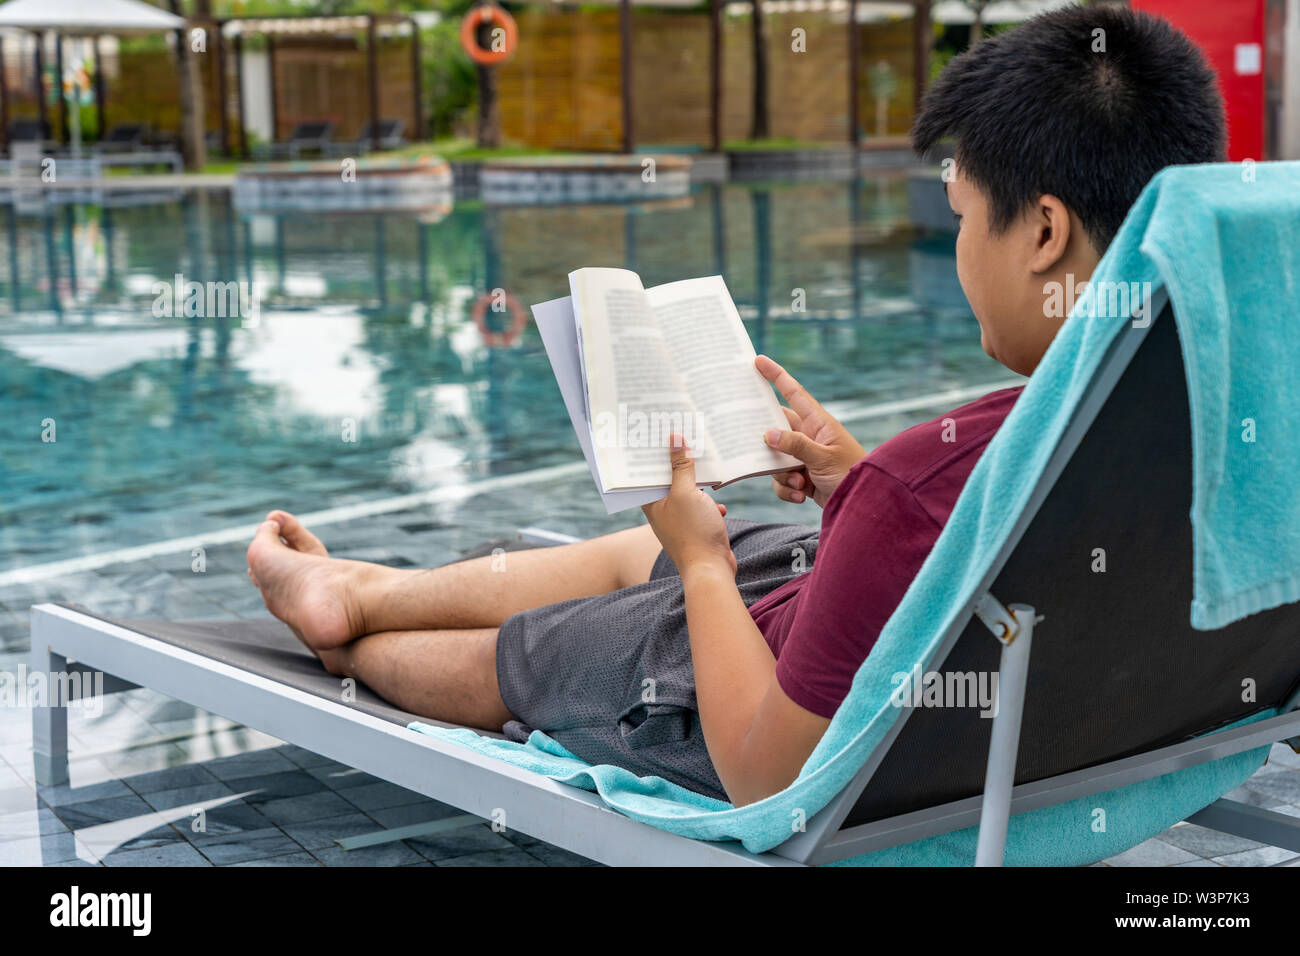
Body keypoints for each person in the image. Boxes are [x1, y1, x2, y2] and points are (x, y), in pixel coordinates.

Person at [246, 4, 1226, 807]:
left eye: (964, 215)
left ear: (1044, 231)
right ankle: (361, 588)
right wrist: (854, 481)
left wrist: (707, 563)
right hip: (994, 685)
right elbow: (981, 539)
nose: (960, 248)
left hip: (738, 705)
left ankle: (354, 631)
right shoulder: (1205, 404)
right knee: (647, 553)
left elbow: (767, 773)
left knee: (551, 645)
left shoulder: (923, 481)